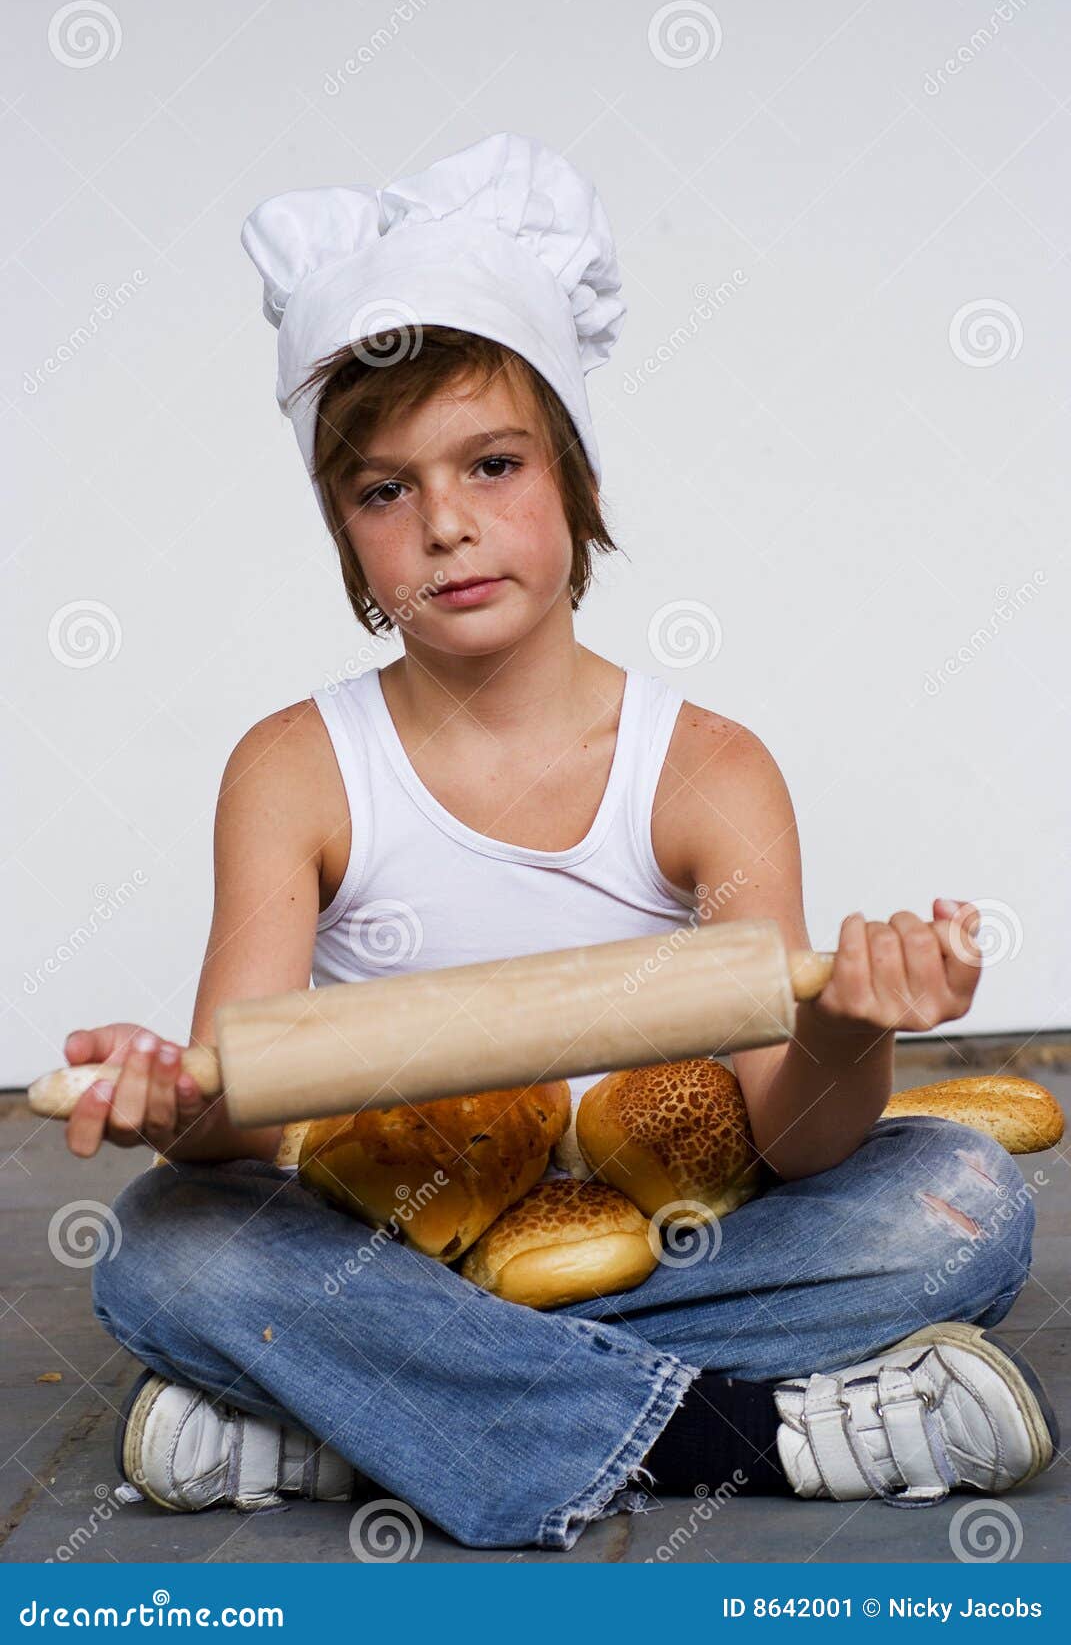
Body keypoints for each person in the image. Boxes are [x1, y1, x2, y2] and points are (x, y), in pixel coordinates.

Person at [67, 134, 1055, 1550]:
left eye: (493, 462)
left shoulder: (706, 771)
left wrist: (846, 1021)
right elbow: (250, 1114)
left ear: (574, 477)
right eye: (384, 490)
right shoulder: (296, 769)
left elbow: (798, 1133)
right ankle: (753, 1435)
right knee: (167, 1246)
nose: (449, 524)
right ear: (347, 541)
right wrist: (177, 1097)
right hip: (396, 1245)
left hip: (671, 1243)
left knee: (959, 1201)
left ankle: (352, 1416)